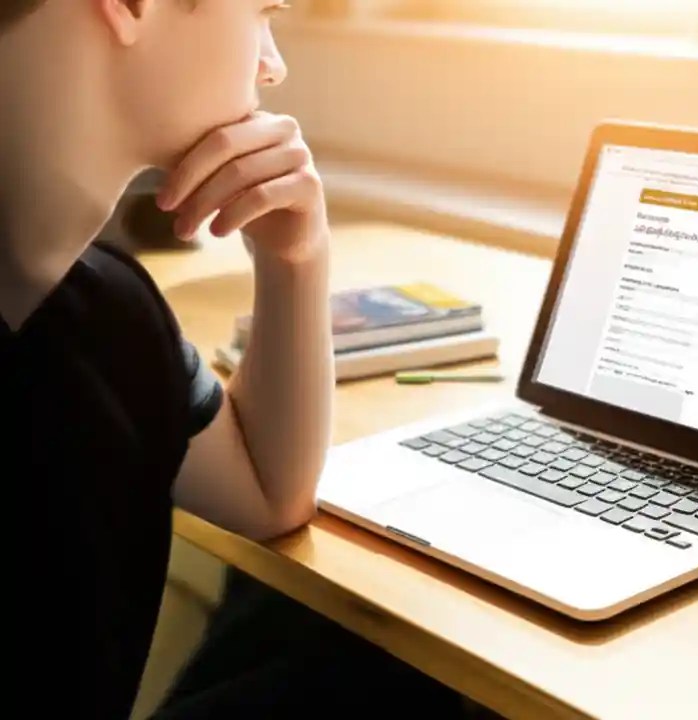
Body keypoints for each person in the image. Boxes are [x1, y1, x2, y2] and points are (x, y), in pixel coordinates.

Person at [1, 2, 465, 717]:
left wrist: (295, 259)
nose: (271, 64)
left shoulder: (109, 316)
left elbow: (266, 491)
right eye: (260, 12)